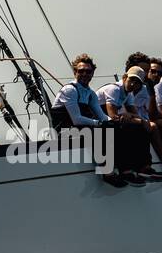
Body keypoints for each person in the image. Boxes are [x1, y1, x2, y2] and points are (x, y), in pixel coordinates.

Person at [50, 53, 144, 186]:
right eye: (80, 71)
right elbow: (76, 119)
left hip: (79, 128)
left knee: (117, 127)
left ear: (92, 72)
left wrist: (114, 121)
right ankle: (107, 173)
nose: (84, 74)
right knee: (99, 130)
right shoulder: (69, 90)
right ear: (75, 72)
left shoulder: (90, 94)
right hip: (64, 130)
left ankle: (126, 170)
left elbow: (101, 116)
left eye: (88, 71)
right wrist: (100, 123)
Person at [97, 66, 162, 181]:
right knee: (125, 128)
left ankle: (144, 167)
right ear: (124, 77)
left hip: (108, 120)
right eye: (132, 80)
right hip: (97, 120)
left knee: (142, 125)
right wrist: (135, 118)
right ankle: (125, 170)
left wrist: (136, 118)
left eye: (137, 83)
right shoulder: (114, 89)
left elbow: (136, 115)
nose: (133, 84)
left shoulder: (128, 94)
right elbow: (112, 116)